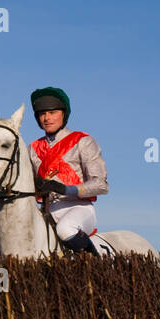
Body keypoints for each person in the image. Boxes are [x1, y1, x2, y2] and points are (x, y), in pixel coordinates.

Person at [28, 86, 107, 254]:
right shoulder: (33, 149)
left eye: (52, 113)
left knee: (66, 229)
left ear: (63, 114)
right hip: (46, 211)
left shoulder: (83, 141)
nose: (47, 118)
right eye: (42, 114)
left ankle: (95, 267)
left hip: (78, 207)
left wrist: (65, 189)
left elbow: (101, 185)